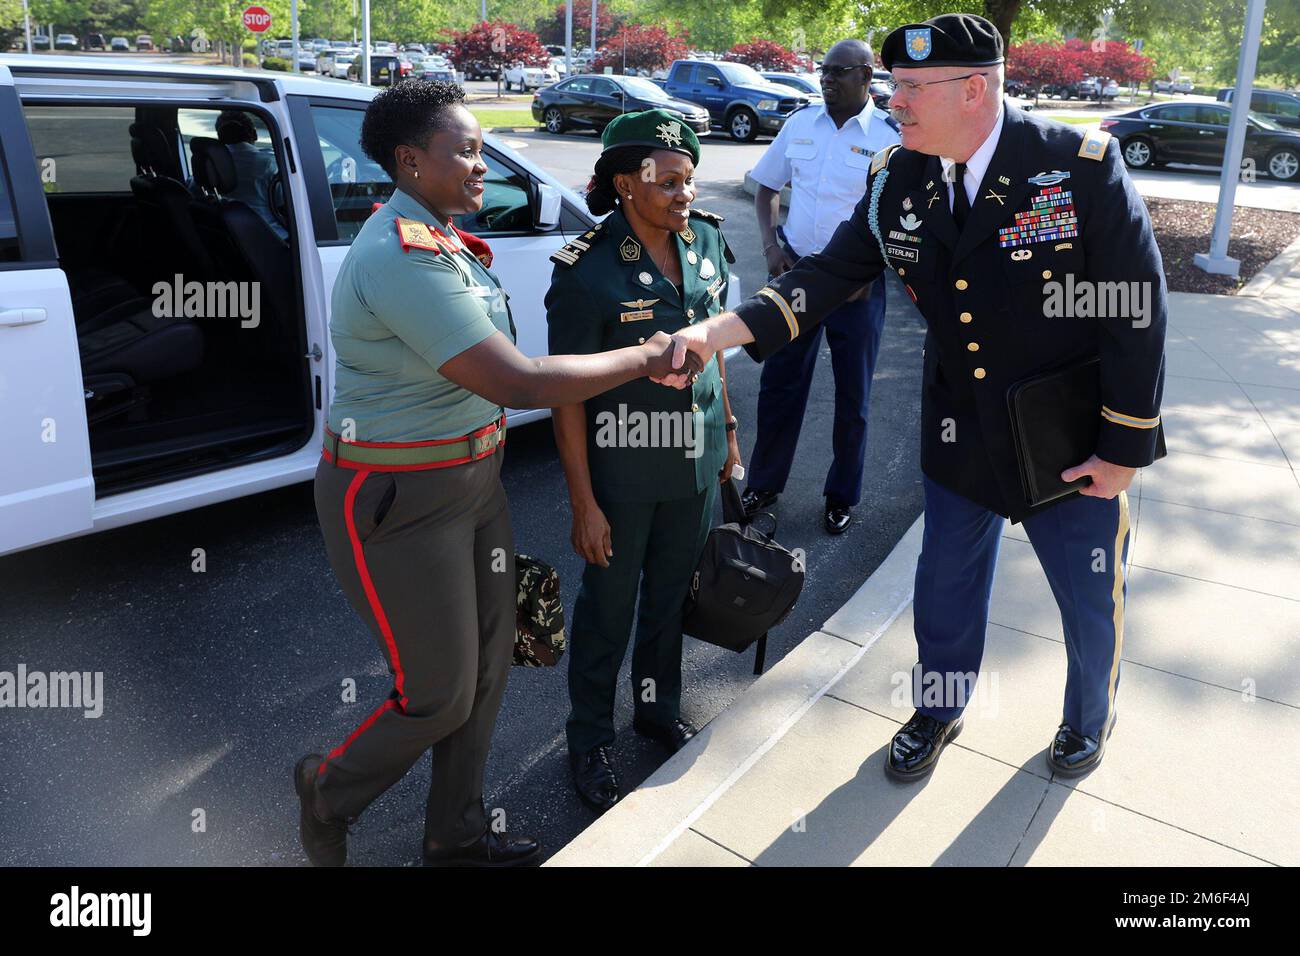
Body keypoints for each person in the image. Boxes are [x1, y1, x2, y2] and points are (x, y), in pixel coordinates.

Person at [660, 14, 1167, 782]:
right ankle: (938, 708)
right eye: (893, 85)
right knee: (943, 592)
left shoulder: (1077, 167)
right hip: (961, 427)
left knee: (1089, 597)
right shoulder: (900, 175)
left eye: (909, 88)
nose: (893, 102)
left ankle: (1088, 718)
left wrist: (1124, 445)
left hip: (1067, 438)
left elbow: (1135, 306)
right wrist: (715, 333)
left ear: (975, 89)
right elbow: (827, 276)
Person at [295, 81, 692, 867]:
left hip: (474, 486)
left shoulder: (439, 234)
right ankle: (327, 790)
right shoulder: (401, 253)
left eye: (482, 149)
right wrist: (648, 354)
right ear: (410, 161)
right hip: (399, 498)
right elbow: (517, 382)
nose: (483, 166)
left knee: (487, 668)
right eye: (467, 152)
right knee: (438, 690)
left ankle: (457, 833)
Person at [546, 109, 740, 813]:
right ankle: (589, 738)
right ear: (627, 183)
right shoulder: (586, 269)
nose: (684, 194)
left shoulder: (709, 243)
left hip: (695, 462)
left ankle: (656, 710)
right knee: (609, 609)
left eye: (689, 180)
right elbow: (565, 396)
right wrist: (582, 502)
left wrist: (730, 437)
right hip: (622, 475)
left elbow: (716, 348)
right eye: (668, 181)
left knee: (669, 600)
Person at [745, 39, 898, 534]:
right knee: (781, 385)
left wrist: (872, 269)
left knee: (853, 397)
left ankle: (841, 496)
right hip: (798, 277)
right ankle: (764, 483)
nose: (826, 79)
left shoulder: (888, 136)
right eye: (823, 71)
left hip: (858, 287)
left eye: (838, 72)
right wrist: (771, 248)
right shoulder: (800, 124)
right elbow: (767, 186)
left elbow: (902, 218)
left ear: (866, 78)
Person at [214, 110, 288, 241]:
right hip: (269, 238)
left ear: (220, 137)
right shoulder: (268, 163)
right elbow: (284, 205)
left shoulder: (210, 165)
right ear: (254, 134)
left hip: (222, 235)